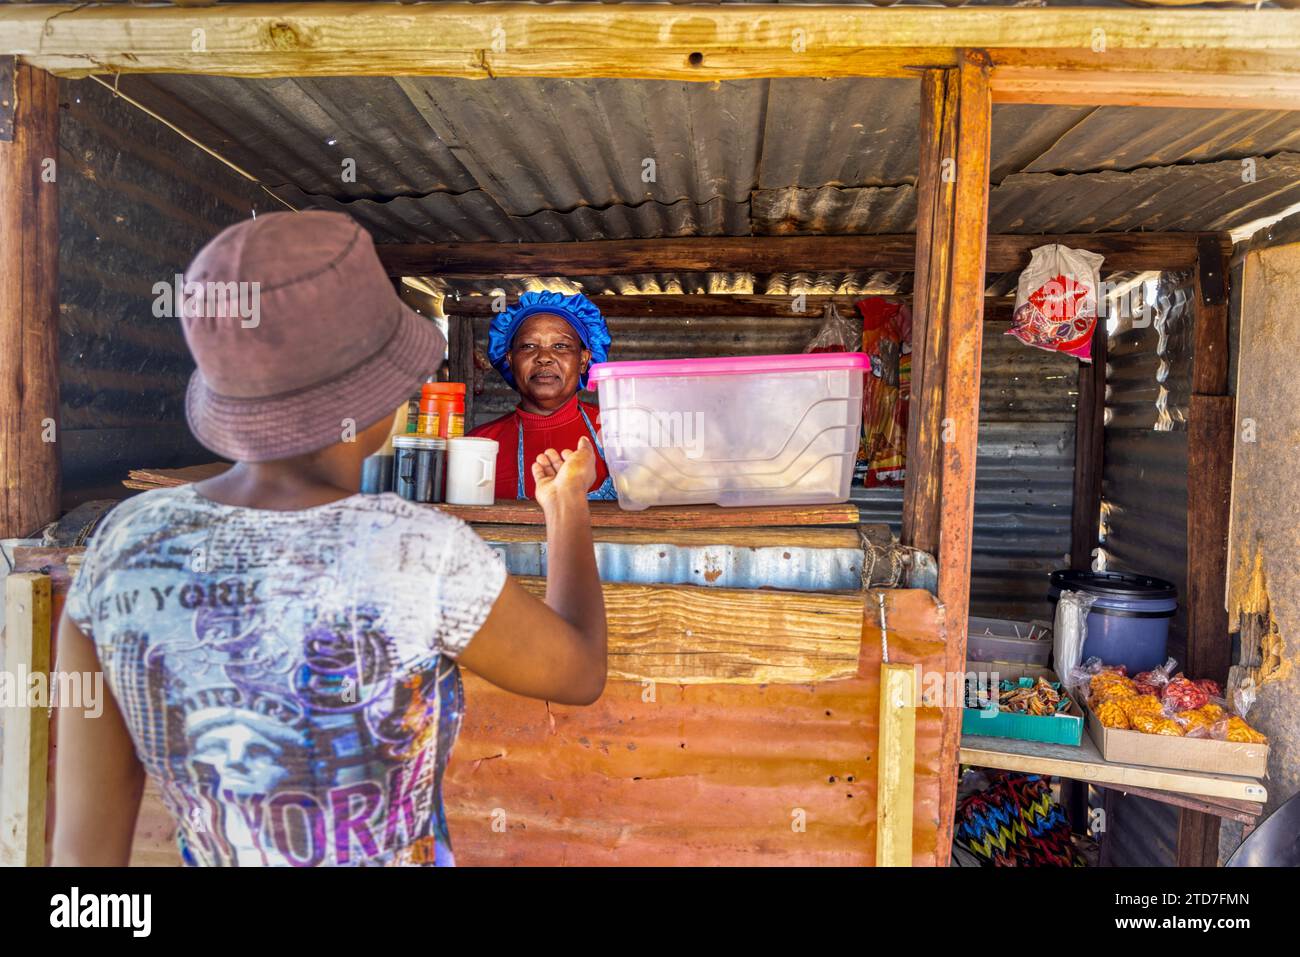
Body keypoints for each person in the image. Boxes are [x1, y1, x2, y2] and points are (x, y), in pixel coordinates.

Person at [52, 211, 607, 867]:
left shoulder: (123, 543)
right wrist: (567, 505)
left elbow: (81, 862)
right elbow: (580, 671)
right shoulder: (419, 551)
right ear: (380, 401)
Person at [469, 290, 618, 500]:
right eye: (529, 346)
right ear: (510, 360)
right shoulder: (476, 446)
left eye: (561, 346)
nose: (544, 358)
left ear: (583, 360)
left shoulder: (622, 434)